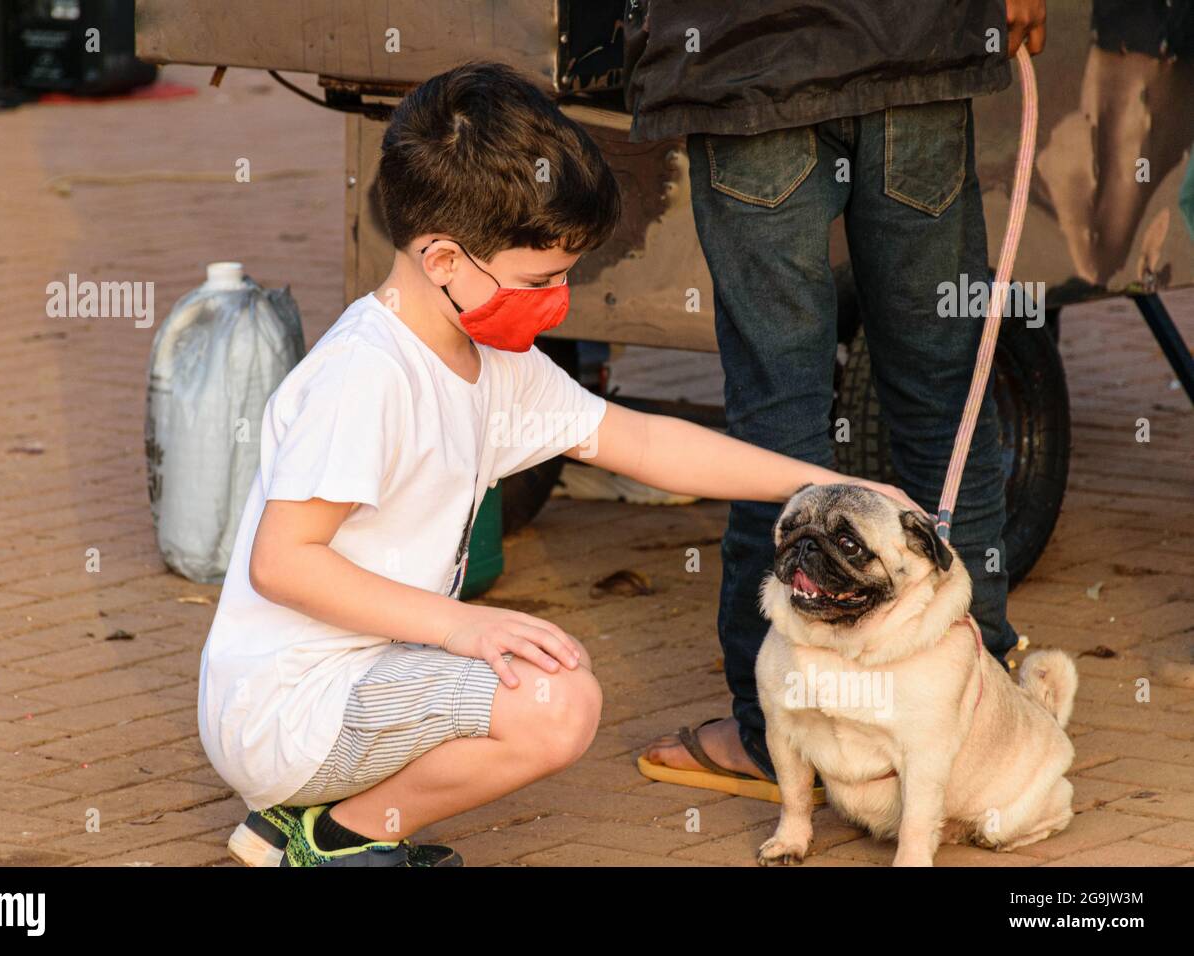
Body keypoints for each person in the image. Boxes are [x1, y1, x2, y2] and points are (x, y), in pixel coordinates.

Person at [197, 61, 917, 867]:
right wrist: (464, 625)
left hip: (365, 677)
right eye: (540, 278)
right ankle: (333, 838)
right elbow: (282, 563)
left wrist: (818, 487)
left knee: (534, 667)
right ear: (443, 261)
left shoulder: (482, 353)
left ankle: (304, 817)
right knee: (556, 701)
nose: (557, 299)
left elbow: (643, 445)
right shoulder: (366, 375)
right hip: (291, 709)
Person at [626, 1, 1046, 799]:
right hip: (910, 42)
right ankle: (973, 697)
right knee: (942, 398)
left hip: (747, 54)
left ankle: (772, 737)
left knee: (776, 419)